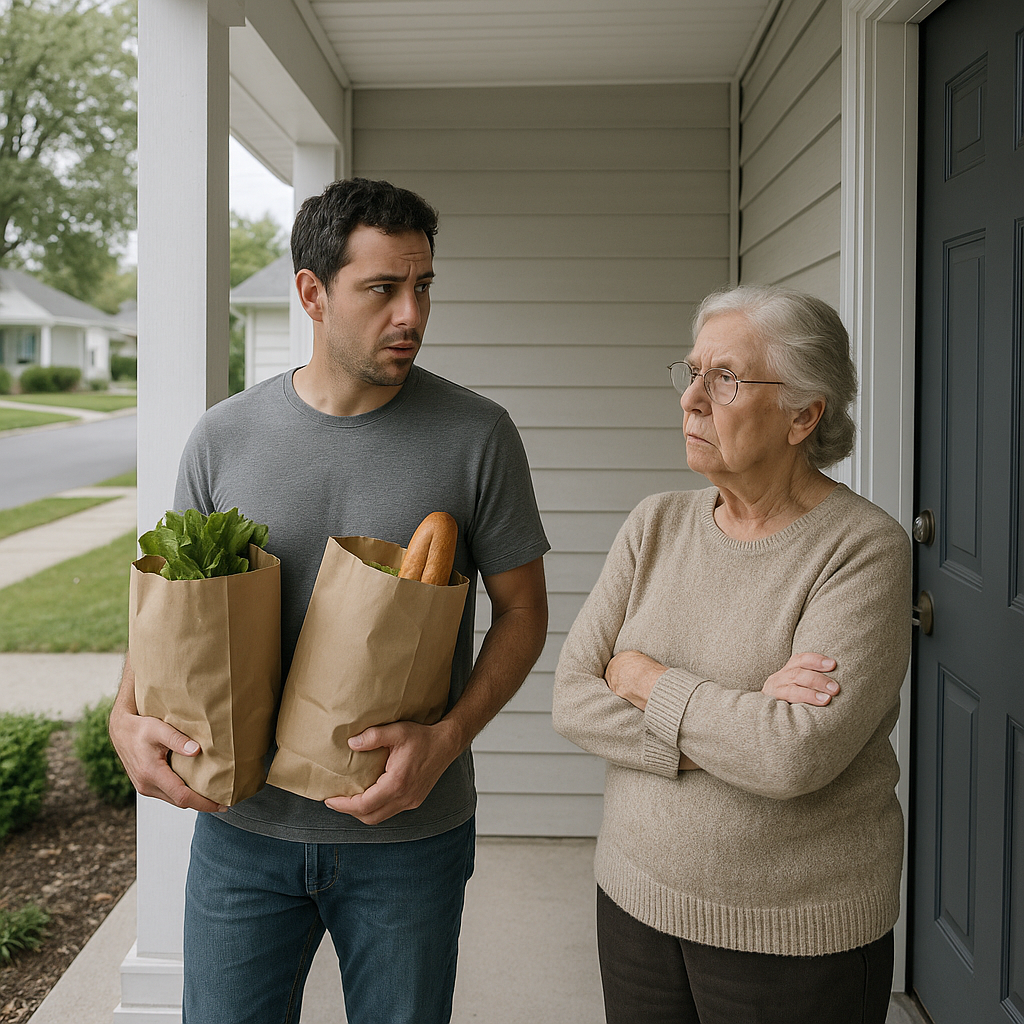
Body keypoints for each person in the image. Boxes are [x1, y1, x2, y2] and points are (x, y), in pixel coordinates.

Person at [109, 177, 550, 1024]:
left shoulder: (477, 435)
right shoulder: (224, 437)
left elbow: (523, 613)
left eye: (422, 287)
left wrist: (449, 738)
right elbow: (174, 608)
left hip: (408, 839)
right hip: (243, 835)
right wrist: (124, 714)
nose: (411, 314)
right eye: (382, 289)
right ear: (312, 293)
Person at [551, 285, 911, 1024]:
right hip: (634, 899)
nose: (692, 401)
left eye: (726, 380)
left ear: (803, 415)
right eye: (691, 374)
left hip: (794, 935)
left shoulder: (862, 550)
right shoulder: (654, 525)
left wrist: (646, 678)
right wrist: (735, 718)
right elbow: (572, 700)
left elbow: (790, 757)